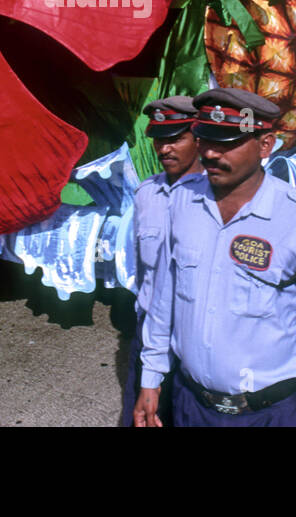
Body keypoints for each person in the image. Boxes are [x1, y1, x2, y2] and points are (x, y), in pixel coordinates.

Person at [134, 88, 296, 427]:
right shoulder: (181, 201)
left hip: (267, 415)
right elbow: (164, 296)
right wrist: (151, 377)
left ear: (266, 144)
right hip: (190, 406)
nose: (210, 153)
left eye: (226, 143)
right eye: (204, 140)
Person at [120, 96, 204, 427]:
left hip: (194, 335)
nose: (163, 149)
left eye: (175, 138)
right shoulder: (146, 194)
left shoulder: (215, 196)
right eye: (158, 139)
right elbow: (143, 269)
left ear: (198, 138)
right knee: (140, 419)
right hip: (149, 330)